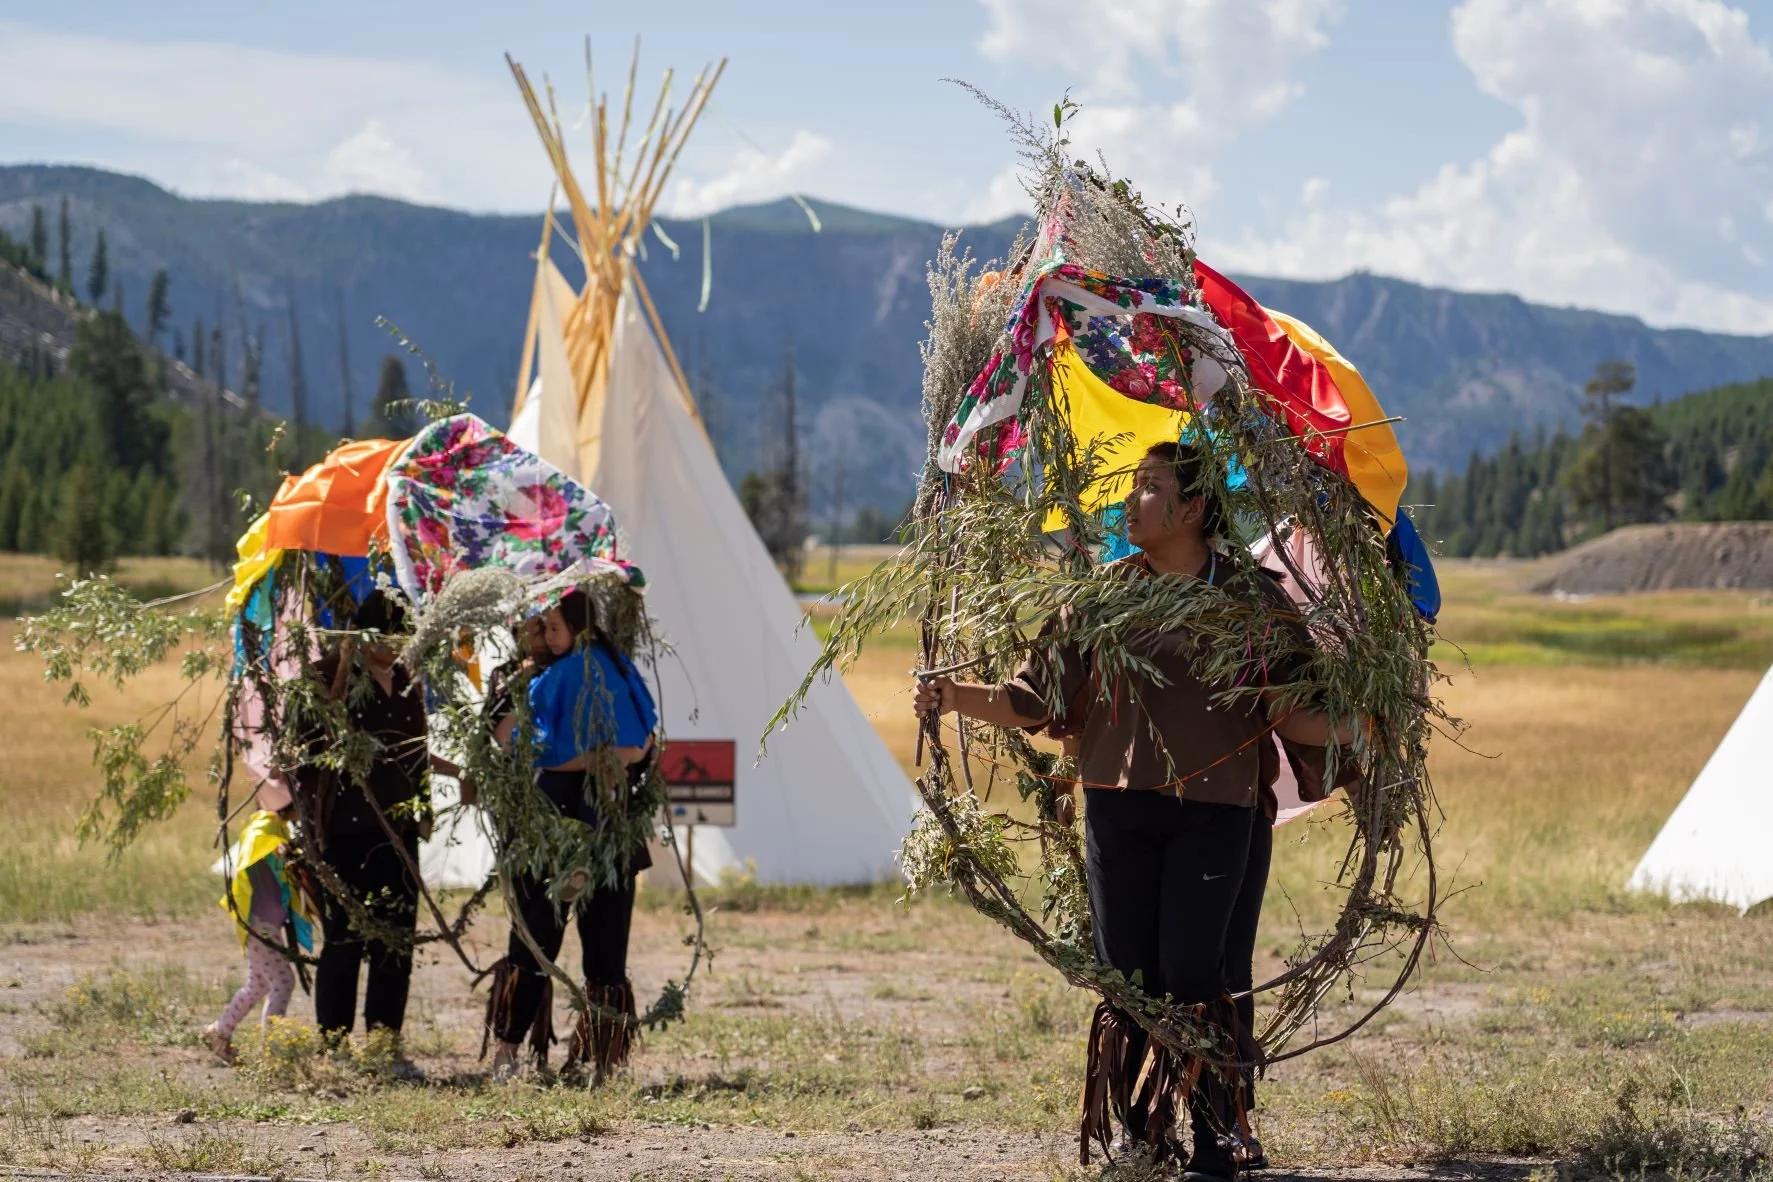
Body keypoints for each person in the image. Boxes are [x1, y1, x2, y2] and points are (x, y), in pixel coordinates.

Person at [914, 440, 1355, 1180]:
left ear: (1192, 507)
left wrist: (1361, 723)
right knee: (1129, 979)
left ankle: (1221, 1132)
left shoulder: (1249, 599)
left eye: (1149, 488)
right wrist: (954, 696)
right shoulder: (1102, 595)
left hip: (1219, 813)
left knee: (1199, 974)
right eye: (1131, 486)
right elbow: (1032, 701)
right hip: (1117, 810)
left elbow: (1292, 713)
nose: (1129, 501)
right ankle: (1143, 1131)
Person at [486, 588, 658, 1083]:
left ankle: (589, 1059)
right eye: (539, 627)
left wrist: (585, 760)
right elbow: (641, 739)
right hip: (572, 828)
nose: (546, 636)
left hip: (576, 828)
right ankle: (522, 1051)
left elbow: (519, 743)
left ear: (578, 629)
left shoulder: (582, 670)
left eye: (553, 627)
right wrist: (596, 759)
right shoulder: (603, 668)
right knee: (538, 946)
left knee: (589, 951)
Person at [289, 590, 431, 1077]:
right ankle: (334, 1045)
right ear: (363, 634)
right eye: (388, 638)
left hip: (398, 832)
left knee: (395, 940)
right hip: (344, 833)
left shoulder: (408, 682)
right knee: (345, 938)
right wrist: (344, 670)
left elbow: (417, 750)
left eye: (403, 640)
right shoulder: (324, 676)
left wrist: (426, 806)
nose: (396, 649)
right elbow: (307, 750)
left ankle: (384, 1043)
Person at [202, 793, 315, 1064]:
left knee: (259, 983)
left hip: (263, 921)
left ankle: (219, 1032)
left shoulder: (275, 829)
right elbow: (262, 851)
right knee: (283, 982)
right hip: (261, 923)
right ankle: (273, 1052)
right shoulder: (264, 828)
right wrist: (287, 849)